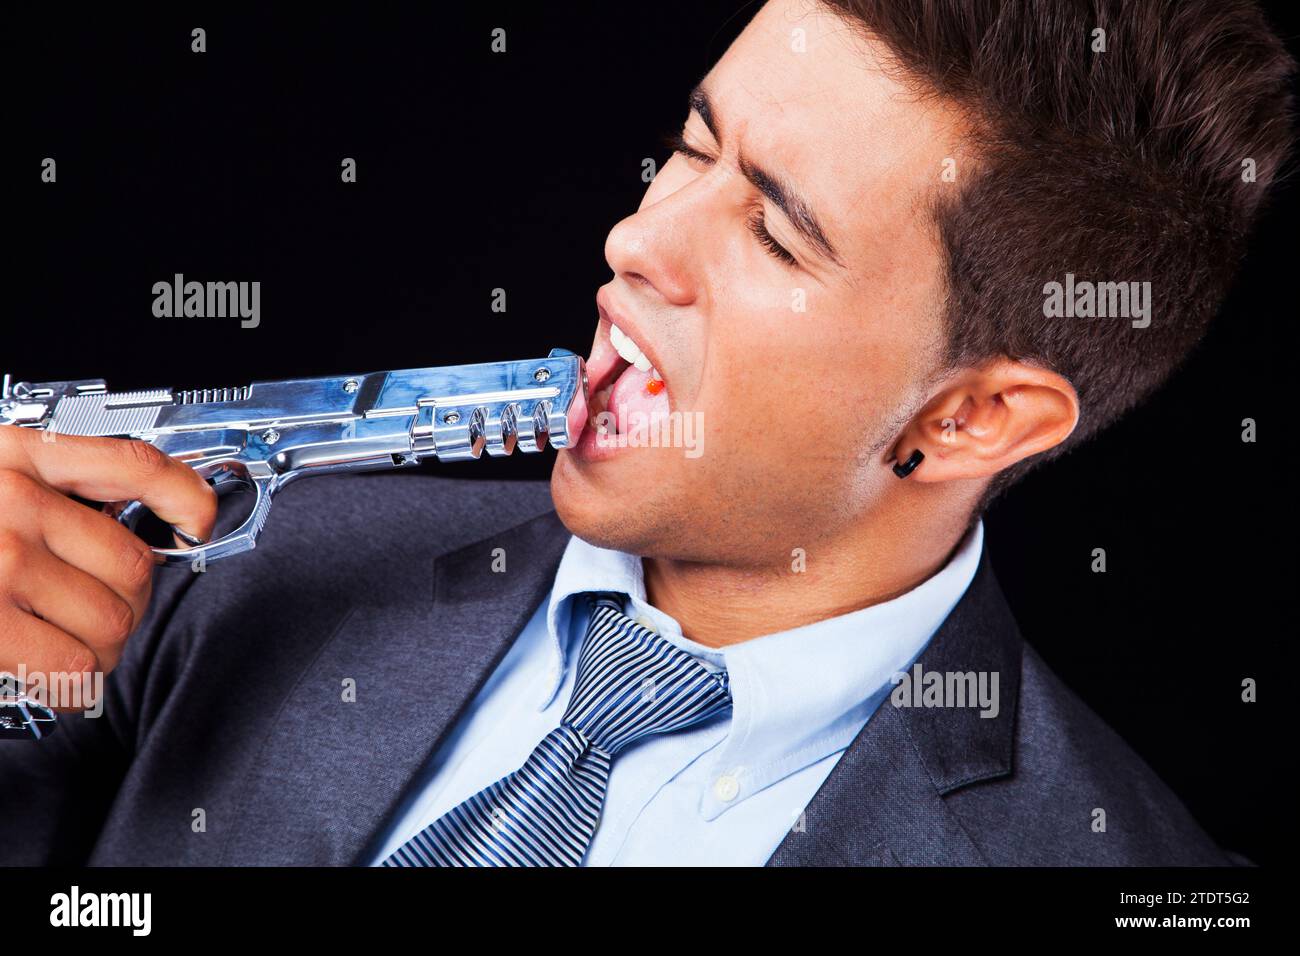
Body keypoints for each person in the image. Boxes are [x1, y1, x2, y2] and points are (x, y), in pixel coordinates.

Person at [0, 0, 1291, 865]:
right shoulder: (217, 573)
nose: (636, 241)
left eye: (775, 231)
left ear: (969, 419)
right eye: (690, 147)